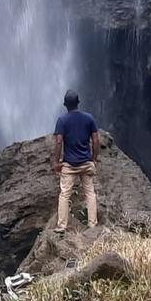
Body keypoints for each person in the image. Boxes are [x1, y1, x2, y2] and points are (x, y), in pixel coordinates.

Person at [51, 89, 99, 233]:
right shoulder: (89, 118)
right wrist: (94, 159)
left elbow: (58, 142)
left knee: (64, 194)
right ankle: (92, 224)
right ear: (78, 102)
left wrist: (56, 162)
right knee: (90, 193)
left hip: (70, 165)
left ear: (65, 104)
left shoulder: (62, 120)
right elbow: (96, 139)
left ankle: (62, 226)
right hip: (86, 162)